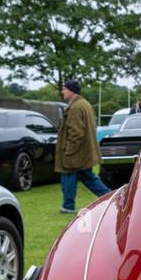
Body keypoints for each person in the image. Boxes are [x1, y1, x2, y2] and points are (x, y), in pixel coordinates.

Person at [55, 79, 110, 213]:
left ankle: (68, 206)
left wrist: (69, 151)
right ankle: (110, 197)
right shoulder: (85, 104)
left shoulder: (75, 107)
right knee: (88, 177)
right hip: (84, 151)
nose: (62, 91)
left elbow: (76, 132)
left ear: (71, 91)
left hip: (77, 153)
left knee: (68, 176)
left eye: (64, 89)